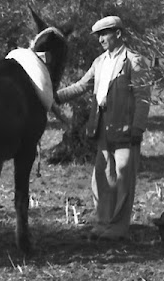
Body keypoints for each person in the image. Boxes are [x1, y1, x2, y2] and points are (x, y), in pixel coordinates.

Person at [55, 16, 152, 238]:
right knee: (101, 177)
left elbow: (143, 98)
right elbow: (82, 86)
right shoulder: (99, 62)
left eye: (104, 34)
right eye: (98, 35)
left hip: (126, 130)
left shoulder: (134, 61)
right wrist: (54, 98)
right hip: (102, 128)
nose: (100, 39)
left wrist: (138, 128)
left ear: (118, 34)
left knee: (123, 179)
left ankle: (117, 228)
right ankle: (102, 223)